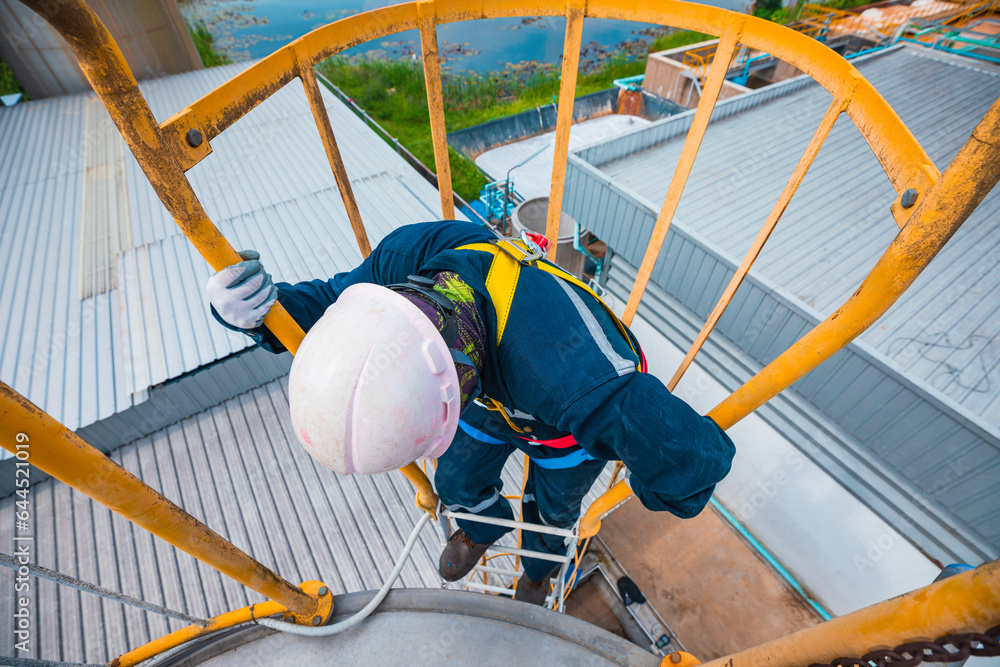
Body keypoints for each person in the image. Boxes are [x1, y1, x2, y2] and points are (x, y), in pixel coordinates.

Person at [206, 219, 736, 605]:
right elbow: (329, 302)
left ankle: (536, 573)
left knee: (552, 511)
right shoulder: (407, 260)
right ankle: (483, 526)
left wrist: (648, 475)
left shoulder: (580, 381)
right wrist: (260, 313)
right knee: (456, 476)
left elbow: (694, 463)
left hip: (559, 432)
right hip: (484, 394)